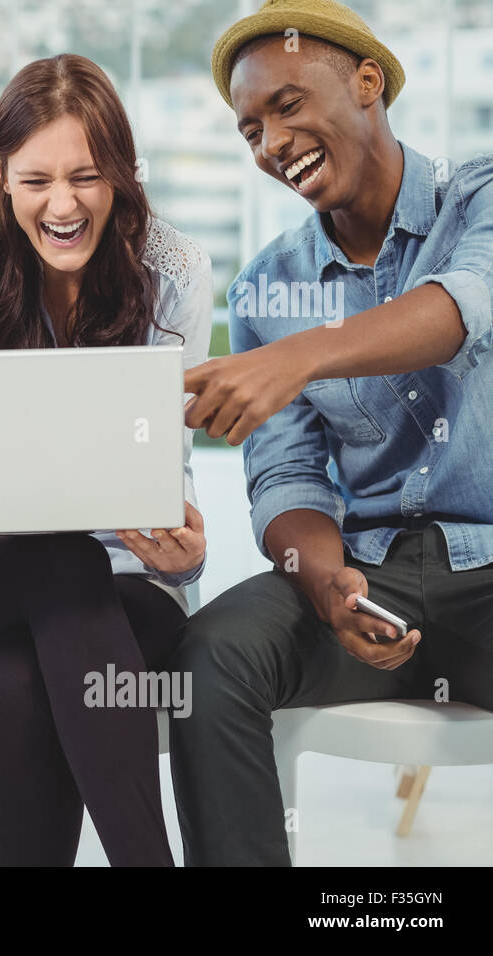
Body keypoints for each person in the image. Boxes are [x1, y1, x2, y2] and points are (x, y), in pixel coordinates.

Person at [170, 0, 493, 865]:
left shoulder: (481, 199)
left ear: (367, 81)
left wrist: (303, 357)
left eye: (286, 105)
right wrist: (325, 583)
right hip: (370, 568)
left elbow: (464, 308)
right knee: (209, 660)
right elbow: (288, 479)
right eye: (250, 131)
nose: (272, 143)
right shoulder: (269, 282)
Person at [0, 54, 212, 866]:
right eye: (35, 180)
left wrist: (184, 554)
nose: (62, 206)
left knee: (20, 676)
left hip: (121, 605)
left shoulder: (174, 272)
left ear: (122, 177)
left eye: (87, 178)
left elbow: (167, 470)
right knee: (57, 561)